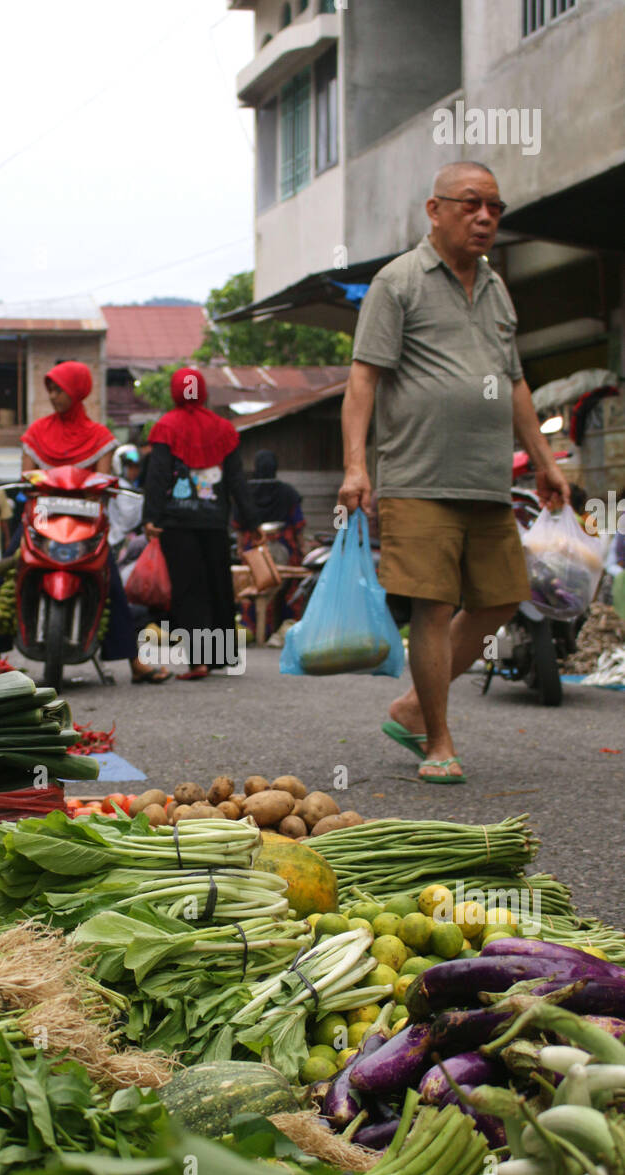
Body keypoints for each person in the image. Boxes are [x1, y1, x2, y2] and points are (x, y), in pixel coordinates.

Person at [339, 161, 570, 784]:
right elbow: (364, 378)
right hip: (418, 476)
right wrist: (357, 466)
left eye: (495, 206)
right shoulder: (400, 281)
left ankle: (414, 708)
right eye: (471, 204)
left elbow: (516, 380)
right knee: (433, 605)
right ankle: (439, 740)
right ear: (434, 209)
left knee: (503, 596)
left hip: (488, 478)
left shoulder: (495, 287)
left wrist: (544, 460)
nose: (486, 217)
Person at [20, 361, 169, 683]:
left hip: (85, 527)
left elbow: (104, 484)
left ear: (77, 390)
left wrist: (93, 494)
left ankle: (135, 663)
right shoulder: (36, 432)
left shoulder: (100, 436)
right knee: (5, 573)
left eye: (59, 389)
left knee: (111, 582)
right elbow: (26, 478)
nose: (53, 396)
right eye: (51, 389)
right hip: (41, 521)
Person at [143, 366, 261, 679]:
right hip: (214, 522)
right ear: (203, 391)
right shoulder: (224, 429)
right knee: (218, 585)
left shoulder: (166, 426)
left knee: (188, 589)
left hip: (176, 523)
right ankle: (221, 656)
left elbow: (156, 477)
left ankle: (198, 661)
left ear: (176, 391)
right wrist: (251, 521)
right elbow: (237, 479)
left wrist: (150, 517)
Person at [237, 449, 306, 639]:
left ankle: (253, 629)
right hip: (286, 548)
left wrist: (242, 549)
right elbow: (298, 525)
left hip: (253, 550)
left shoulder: (247, 493)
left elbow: (240, 527)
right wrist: (303, 549)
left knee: (253, 589)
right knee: (289, 589)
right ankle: (286, 628)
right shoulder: (288, 493)